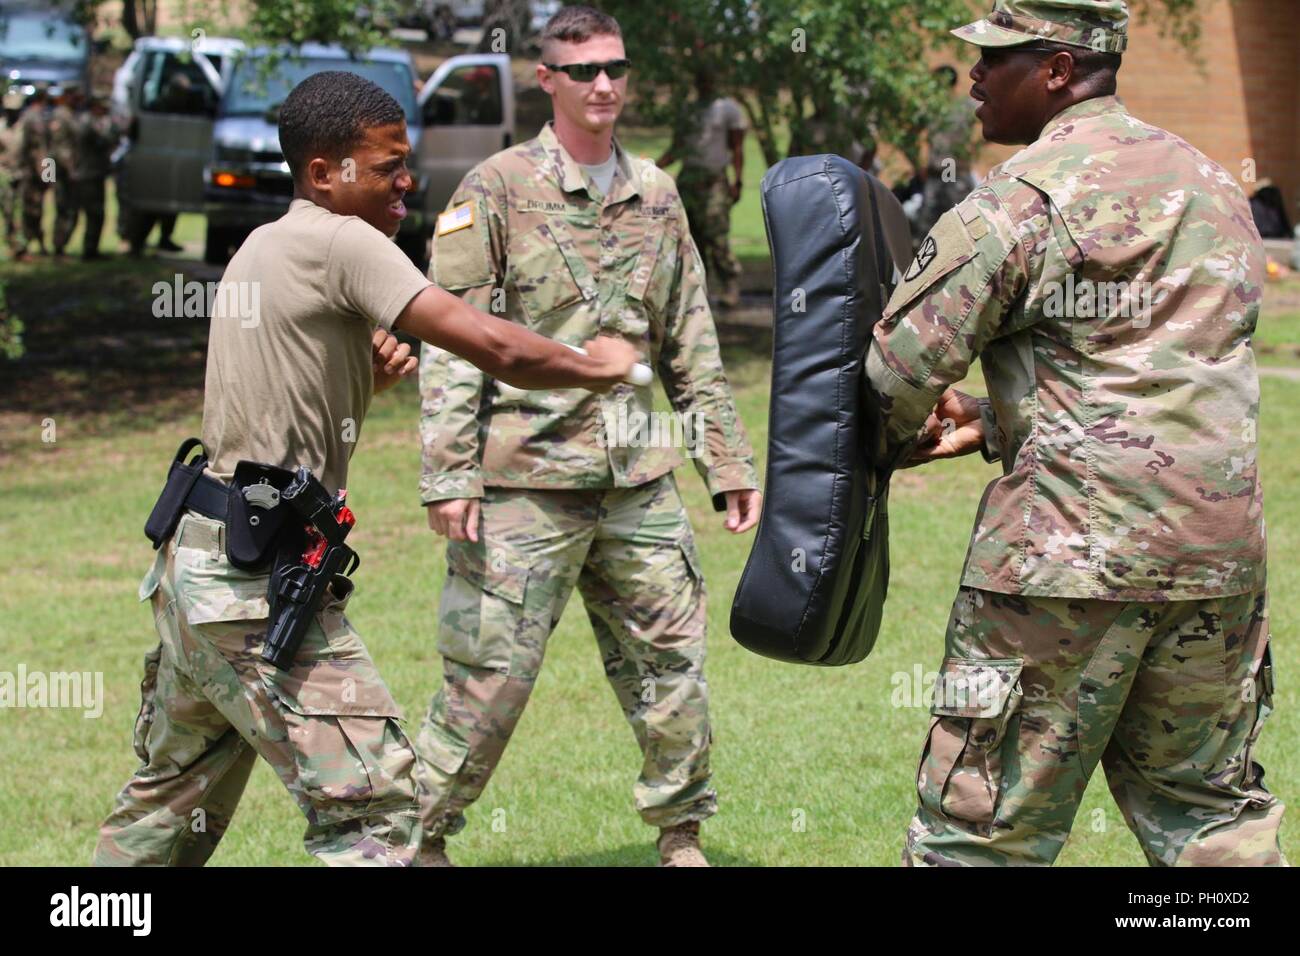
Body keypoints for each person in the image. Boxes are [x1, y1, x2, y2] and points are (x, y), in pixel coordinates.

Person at [93, 70, 638, 867]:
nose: (406, 182)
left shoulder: (265, 245)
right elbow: (494, 345)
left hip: (197, 571)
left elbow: (275, 401)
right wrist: (599, 365)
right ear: (324, 174)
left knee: (168, 808)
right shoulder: (344, 242)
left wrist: (363, 377)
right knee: (380, 812)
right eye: (386, 167)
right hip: (251, 587)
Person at [864, 0, 1284, 866]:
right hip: (1215, 562)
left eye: (996, 59)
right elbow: (1159, 360)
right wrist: (998, 417)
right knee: (1211, 823)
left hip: (1063, 566)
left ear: (1057, 69)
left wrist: (878, 451)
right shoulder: (1215, 187)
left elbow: (895, 374)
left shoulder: (1019, 200)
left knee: (981, 836)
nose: (974, 78)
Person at [416, 5, 761, 868]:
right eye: (582, 70)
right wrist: (449, 474)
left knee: (672, 671)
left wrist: (725, 461)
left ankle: (681, 837)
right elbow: (454, 342)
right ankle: (411, 838)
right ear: (548, 79)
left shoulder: (657, 192)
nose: (602, 84)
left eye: (614, 67)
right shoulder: (494, 189)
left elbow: (690, 337)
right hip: (526, 484)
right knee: (488, 683)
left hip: (639, 480)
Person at [657, 68, 746, 308]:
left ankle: (730, 285)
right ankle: (698, 291)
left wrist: (738, 181)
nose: (705, 81)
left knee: (717, 236)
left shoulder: (728, 109)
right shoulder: (689, 111)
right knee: (690, 239)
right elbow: (677, 147)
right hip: (688, 181)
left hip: (714, 181)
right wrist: (654, 168)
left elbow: (737, 147)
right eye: (701, 76)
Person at [73, 96, 119, 259]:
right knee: (94, 213)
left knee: (97, 214)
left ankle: (91, 249)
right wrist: (116, 130)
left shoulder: (92, 122)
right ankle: (89, 250)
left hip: (94, 174)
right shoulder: (88, 123)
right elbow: (104, 141)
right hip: (89, 175)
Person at [16, 85, 50, 258]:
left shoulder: (31, 116)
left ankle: (35, 244)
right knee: (32, 209)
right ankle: (25, 246)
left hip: (31, 170)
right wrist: (47, 176)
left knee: (35, 208)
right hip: (33, 173)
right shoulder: (35, 118)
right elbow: (41, 150)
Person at [49, 85, 83, 257]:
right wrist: (71, 170)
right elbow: (61, 147)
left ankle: (60, 245)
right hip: (63, 171)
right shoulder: (62, 116)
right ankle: (58, 247)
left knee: (70, 209)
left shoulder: (70, 115)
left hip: (68, 169)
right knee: (64, 208)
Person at [0, 107, 22, 257]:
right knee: (8, 211)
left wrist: (49, 177)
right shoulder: (1, 127)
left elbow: (42, 150)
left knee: (23, 211)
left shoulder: (24, 127)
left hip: (22, 174)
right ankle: (14, 245)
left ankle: (22, 245)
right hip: (4, 175)